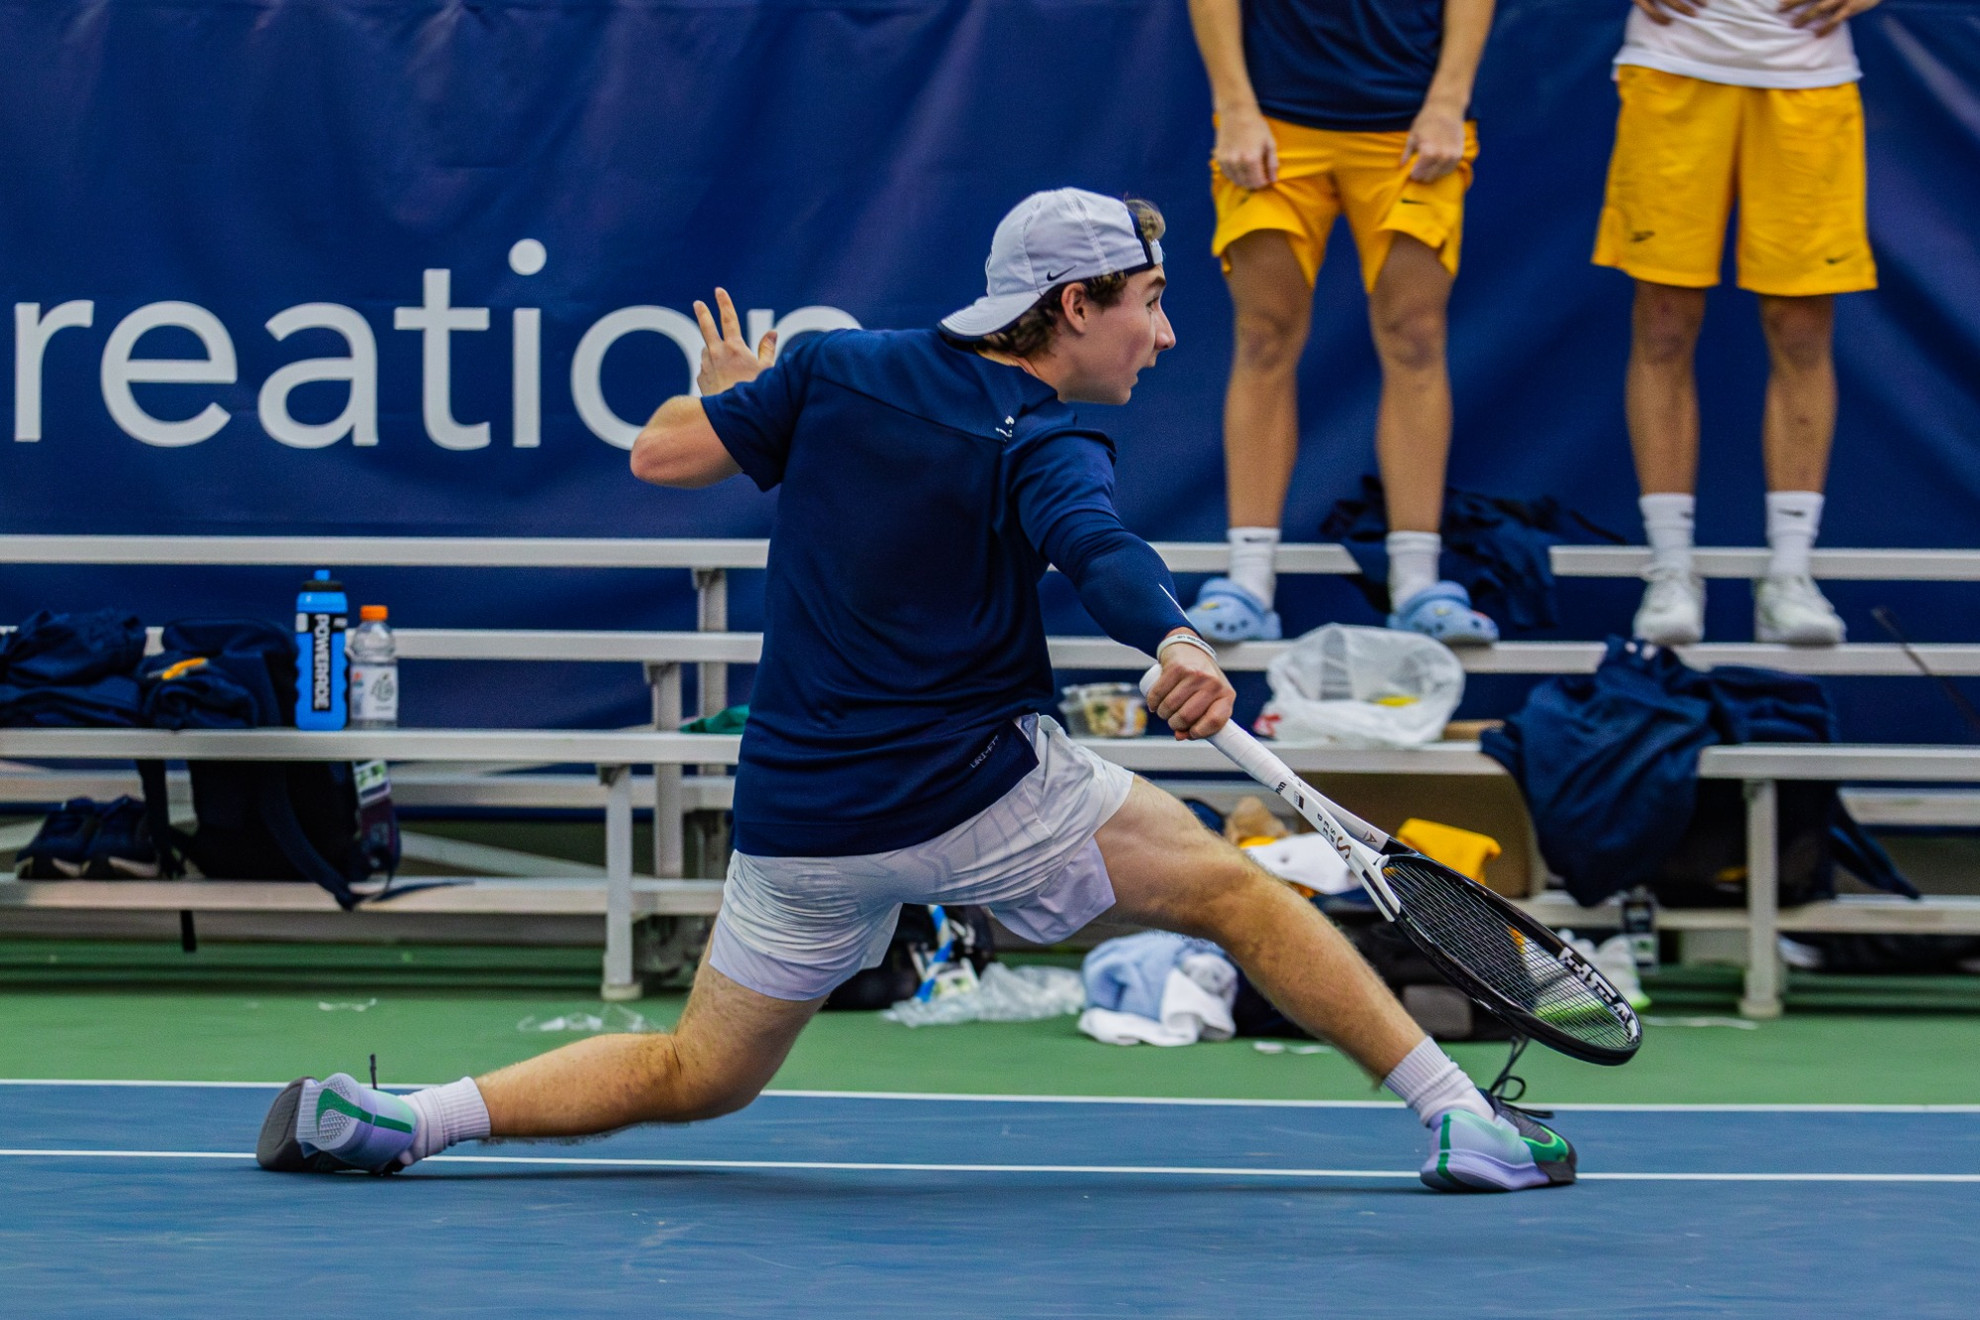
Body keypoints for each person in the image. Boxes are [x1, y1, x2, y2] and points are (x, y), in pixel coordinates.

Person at [254, 188, 1574, 1193]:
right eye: (1150, 303)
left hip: (802, 820)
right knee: (1235, 892)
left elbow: (662, 458)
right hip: (970, 794)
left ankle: (399, 1118)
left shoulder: (835, 373)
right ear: (1072, 307)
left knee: (695, 1073)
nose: (1166, 334)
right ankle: (1461, 1117)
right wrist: (1173, 638)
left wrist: (732, 395)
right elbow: (1102, 551)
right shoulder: (1041, 439)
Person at [1182, 0, 1502, 646]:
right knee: (1264, 336)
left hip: (1408, 119)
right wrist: (1237, 105)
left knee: (1416, 338)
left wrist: (1448, 98)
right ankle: (1248, 581)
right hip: (1274, 114)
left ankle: (1416, 583)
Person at [1599, 0, 1880, 646]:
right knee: (1664, 323)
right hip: (1673, 62)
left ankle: (1790, 573)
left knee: (1801, 327)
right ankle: (1670, 568)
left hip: (1808, 72)